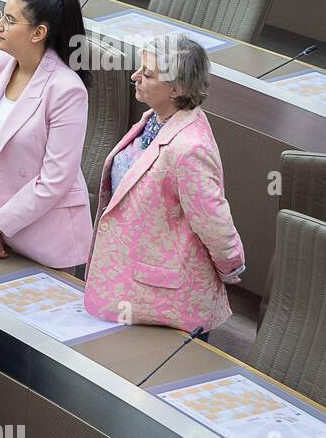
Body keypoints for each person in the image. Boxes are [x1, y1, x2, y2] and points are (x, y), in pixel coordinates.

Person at [84, 34, 245, 333]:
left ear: (177, 89)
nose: (135, 77)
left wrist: (231, 264)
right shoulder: (155, 119)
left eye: (147, 74)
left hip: (164, 299)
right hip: (133, 284)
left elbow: (212, 218)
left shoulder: (190, 146)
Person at [0, 0, 93, 270]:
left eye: (10, 20)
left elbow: (55, 179)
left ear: (38, 33)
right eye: (2, 15)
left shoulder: (66, 89)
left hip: (46, 240)